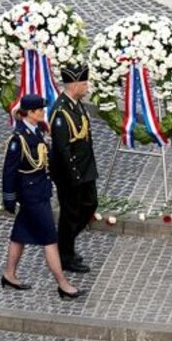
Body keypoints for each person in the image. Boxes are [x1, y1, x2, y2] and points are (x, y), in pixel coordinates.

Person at [0, 94, 84, 300]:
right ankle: (63, 284)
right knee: (50, 239)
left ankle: (9, 274)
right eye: (39, 110)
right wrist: (9, 198)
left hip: (40, 192)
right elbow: (9, 172)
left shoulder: (37, 132)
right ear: (29, 113)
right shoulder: (18, 139)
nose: (43, 112)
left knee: (20, 234)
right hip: (31, 196)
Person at [49, 64, 98, 274]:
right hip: (70, 173)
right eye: (84, 83)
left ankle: (64, 242)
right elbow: (63, 149)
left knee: (90, 205)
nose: (87, 87)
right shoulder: (61, 111)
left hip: (85, 169)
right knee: (70, 214)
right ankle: (65, 255)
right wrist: (75, 176)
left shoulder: (76, 105)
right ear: (75, 85)